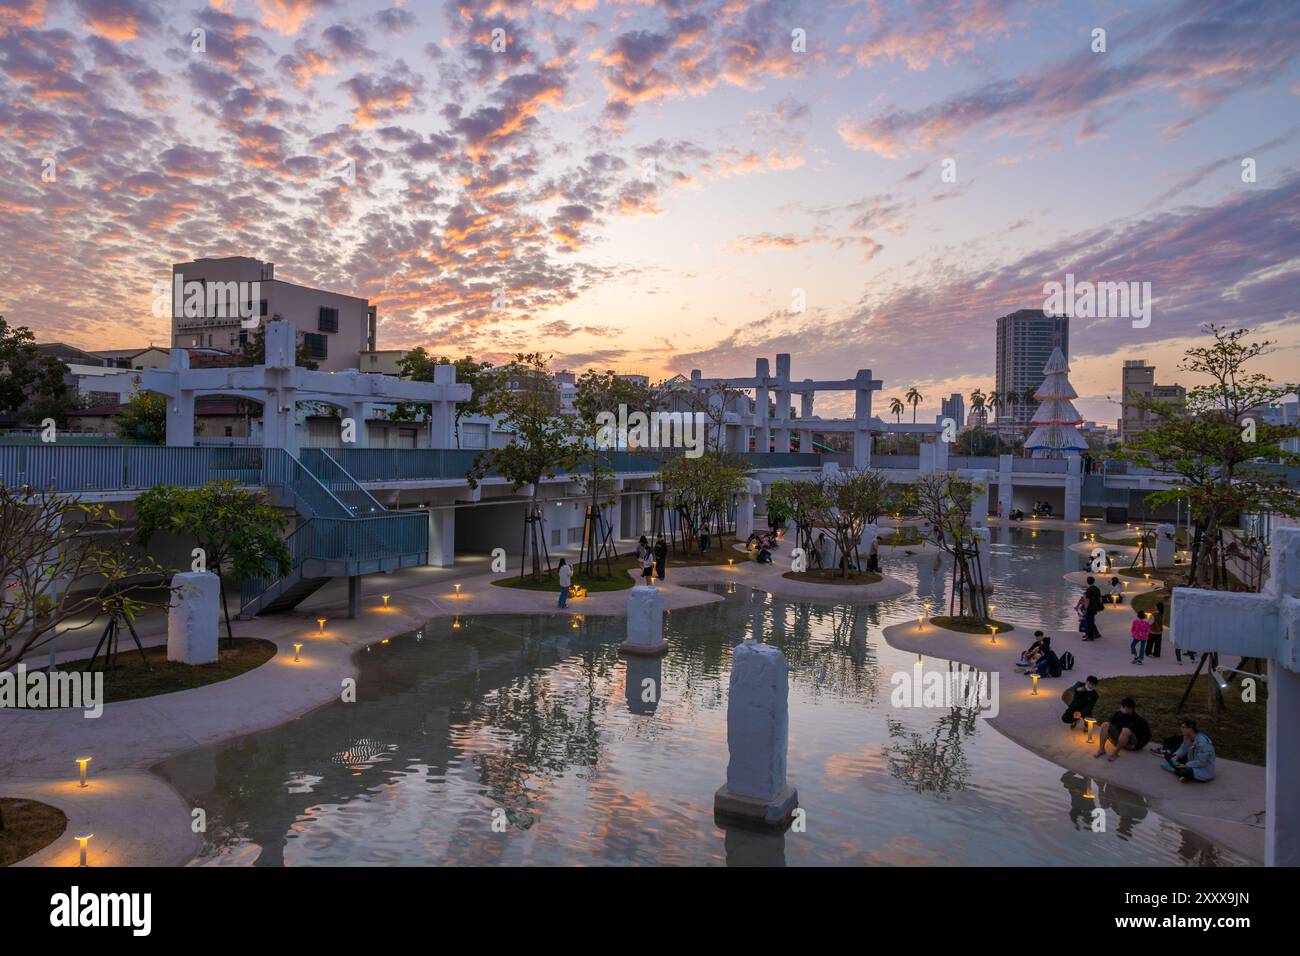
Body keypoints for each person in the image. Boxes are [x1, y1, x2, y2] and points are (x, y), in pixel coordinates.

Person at [1094, 697, 1151, 762]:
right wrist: (1112, 738)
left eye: (1124, 707)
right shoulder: (1119, 714)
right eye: (1121, 706)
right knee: (1105, 724)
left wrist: (1137, 746)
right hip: (1119, 739)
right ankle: (1101, 749)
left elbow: (1148, 736)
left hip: (1131, 742)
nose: (1121, 708)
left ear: (1130, 709)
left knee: (1125, 730)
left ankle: (1115, 753)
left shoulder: (1139, 720)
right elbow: (1110, 726)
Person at [1080, 576, 1103, 641]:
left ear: (1087, 582)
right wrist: (1099, 605)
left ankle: (1090, 636)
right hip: (1095, 607)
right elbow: (1100, 598)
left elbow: (1087, 600)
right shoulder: (1097, 588)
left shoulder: (1089, 590)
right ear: (1094, 581)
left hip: (1090, 608)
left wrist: (1085, 609)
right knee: (1091, 621)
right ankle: (1096, 633)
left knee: (1089, 622)